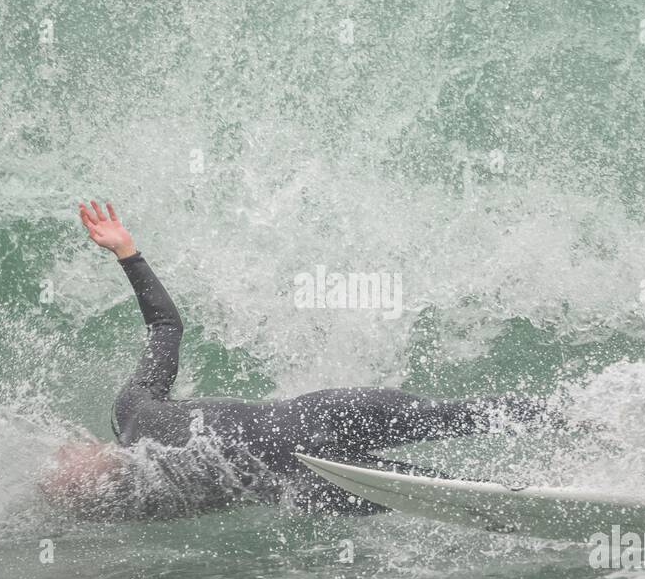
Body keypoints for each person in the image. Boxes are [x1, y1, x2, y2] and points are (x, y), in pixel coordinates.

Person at [43, 201, 544, 519]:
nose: (72, 467)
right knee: (464, 496)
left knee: (456, 416)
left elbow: (166, 327)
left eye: (68, 463)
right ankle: (557, 500)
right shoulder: (150, 500)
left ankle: (584, 414)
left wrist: (128, 254)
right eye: (74, 485)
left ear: (85, 445)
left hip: (323, 413)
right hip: (310, 483)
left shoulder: (134, 410)